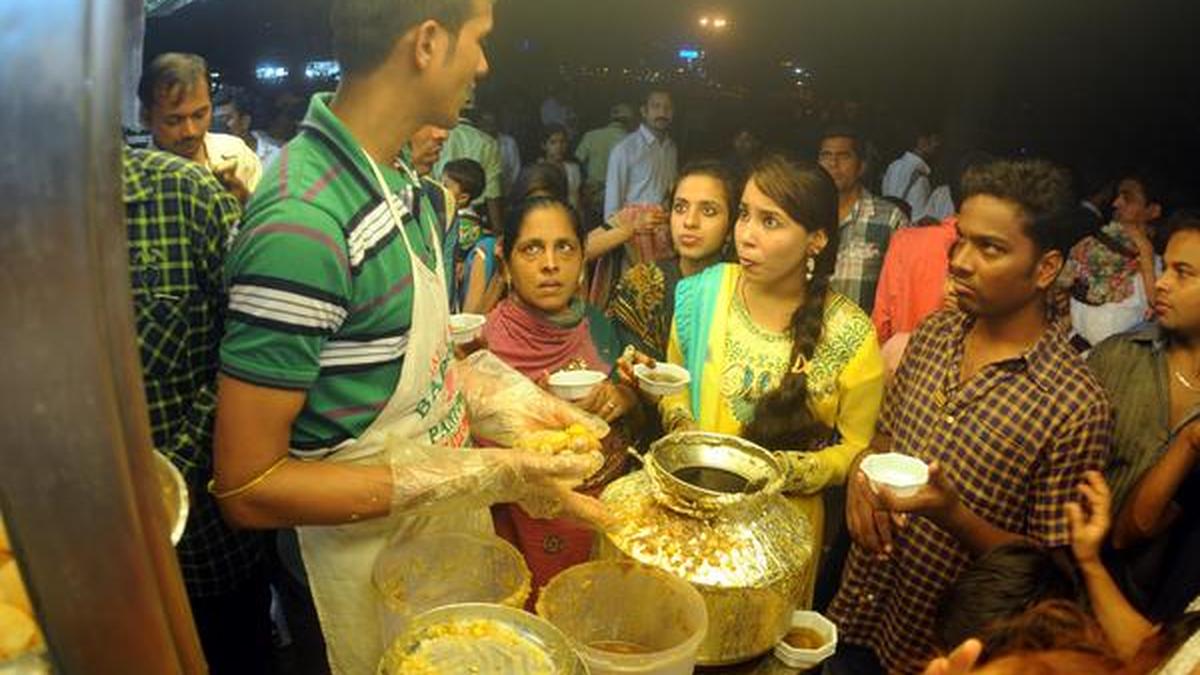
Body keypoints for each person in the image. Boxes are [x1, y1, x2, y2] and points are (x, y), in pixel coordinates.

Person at [211, 3, 601, 673]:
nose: (483, 64)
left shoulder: (402, 186)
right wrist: (479, 472)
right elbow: (247, 485)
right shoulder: (303, 222)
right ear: (426, 42)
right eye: (477, 41)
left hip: (432, 551)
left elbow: (417, 361)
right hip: (352, 574)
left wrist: (511, 405)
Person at [826, 158, 1112, 675]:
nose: (959, 261)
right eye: (961, 240)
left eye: (991, 248)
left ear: (1045, 269)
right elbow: (885, 437)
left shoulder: (1074, 406)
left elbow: (1049, 574)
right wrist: (859, 475)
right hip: (858, 612)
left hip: (939, 650)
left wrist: (952, 513)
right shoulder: (935, 333)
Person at [658, 153, 885, 606]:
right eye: (744, 214)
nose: (746, 235)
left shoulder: (852, 335)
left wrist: (792, 471)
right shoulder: (701, 295)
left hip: (784, 531)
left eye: (771, 222)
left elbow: (857, 448)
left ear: (816, 240)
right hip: (692, 507)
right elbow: (675, 382)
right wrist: (682, 425)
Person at [122, 146, 273, 674]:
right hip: (81, 558)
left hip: (208, 534)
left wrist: (163, 479)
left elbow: (251, 341)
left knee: (236, 651)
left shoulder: (186, 195)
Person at [483, 198, 637, 598]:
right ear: (506, 266)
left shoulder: (598, 325)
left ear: (583, 262)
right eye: (531, 248)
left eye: (564, 248)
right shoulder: (484, 352)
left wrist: (621, 396)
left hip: (607, 523)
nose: (550, 264)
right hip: (524, 530)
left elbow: (632, 399)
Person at [1091, 212, 1200, 620]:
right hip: (1072, 590)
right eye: (1165, 267)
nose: (1164, 282)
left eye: (1183, 273)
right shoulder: (1116, 357)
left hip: (1161, 622)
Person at [608, 160, 739, 362]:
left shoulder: (744, 291)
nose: (689, 221)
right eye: (680, 208)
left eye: (708, 211)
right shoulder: (643, 285)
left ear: (731, 228)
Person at [1059, 170, 1165, 349]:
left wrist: (1144, 251)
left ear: (1153, 211)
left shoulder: (1158, 264)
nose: (1116, 203)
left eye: (1128, 198)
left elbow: (1157, 306)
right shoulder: (1094, 246)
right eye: (1117, 196)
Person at [138, 53, 262, 203]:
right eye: (174, 121)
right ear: (146, 118)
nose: (190, 131)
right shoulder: (136, 179)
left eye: (199, 115)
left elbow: (268, 222)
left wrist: (244, 201)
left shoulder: (238, 156)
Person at [817, 126, 909, 314]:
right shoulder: (804, 213)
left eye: (844, 156)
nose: (833, 163)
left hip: (865, 338)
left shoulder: (890, 219)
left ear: (862, 166)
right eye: (826, 155)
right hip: (808, 335)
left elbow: (901, 290)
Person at [603, 88, 678, 220]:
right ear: (644, 111)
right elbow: (611, 207)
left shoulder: (671, 149)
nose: (662, 113)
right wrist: (614, 237)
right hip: (632, 234)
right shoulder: (625, 149)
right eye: (656, 106)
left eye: (668, 108)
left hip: (664, 231)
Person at [436, 104, 505, 233]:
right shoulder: (488, 143)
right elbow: (493, 193)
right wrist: (497, 228)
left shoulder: (437, 137)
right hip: (476, 213)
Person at [575, 102, 636, 215]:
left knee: (592, 231)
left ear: (610, 119)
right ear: (630, 121)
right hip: (618, 198)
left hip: (591, 196)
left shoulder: (591, 136)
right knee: (610, 230)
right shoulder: (632, 142)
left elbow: (577, 162)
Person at [213, 85, 282, 169]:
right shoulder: (213, 159)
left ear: (245, 121)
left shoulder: (275, 157)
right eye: (217, 120)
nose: (221, 125)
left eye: (226, 119)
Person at [882, 124, 942, 218]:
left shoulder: (893, 166)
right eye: (935, 140)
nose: (937, 145)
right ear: (922, 141)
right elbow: (917, 218)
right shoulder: (921, 176)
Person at [539, 123, 582, 211]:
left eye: (562, 142)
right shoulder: (538, 170)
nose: (559, 147)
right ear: (544, 145)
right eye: (553, 142)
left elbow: (578, 200)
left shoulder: (574, 169)